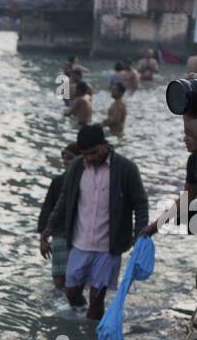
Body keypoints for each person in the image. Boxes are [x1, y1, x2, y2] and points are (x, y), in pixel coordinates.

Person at [41, 122, 148, 320]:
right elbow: (65, 199)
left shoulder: (126, 169)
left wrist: (140, 236)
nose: (89, 158)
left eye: (93, 153)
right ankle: (81, 319)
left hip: (108, 248)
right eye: (85, 154)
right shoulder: (77, 166)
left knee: (97, 299)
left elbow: (140, 204)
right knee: (71, 291)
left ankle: (91, 339)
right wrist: (48, 228)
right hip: (79, 244)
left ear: (104, 145)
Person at [140, 98, 197, 340]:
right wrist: (155, 226)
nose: (184, 139)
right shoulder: (194, 161)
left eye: (189, 134)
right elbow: (186, 201)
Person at [38, 143, 77, 289]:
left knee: (79, 281)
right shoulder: (58, 182)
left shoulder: (88, 182)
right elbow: (47, 210)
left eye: (70, 158)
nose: (66, 162)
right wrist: (43, 239)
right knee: (59, 281)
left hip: (82, 238)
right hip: (60, 236)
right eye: (65, 158)